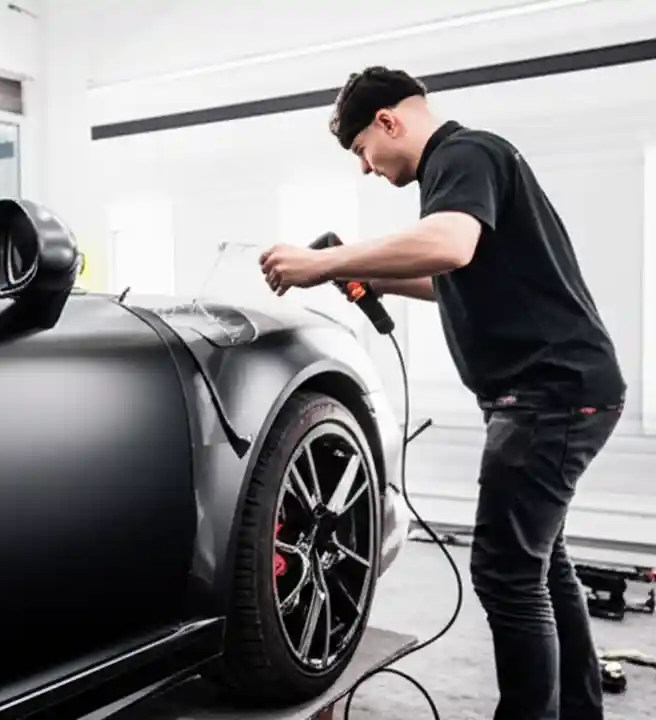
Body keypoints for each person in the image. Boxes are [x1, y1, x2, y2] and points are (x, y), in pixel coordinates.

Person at [258, 66, 626, 720]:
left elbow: (451, 247)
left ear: (388, 123)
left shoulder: (463, 153)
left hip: (548, 396)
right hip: (560, 391)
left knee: (507, 574)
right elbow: (453, 274)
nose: (365, 169)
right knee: (543, 564)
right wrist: (364, 273)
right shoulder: (469, 165)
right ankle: (579, 711)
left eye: (361, 152)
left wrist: (323, 262)